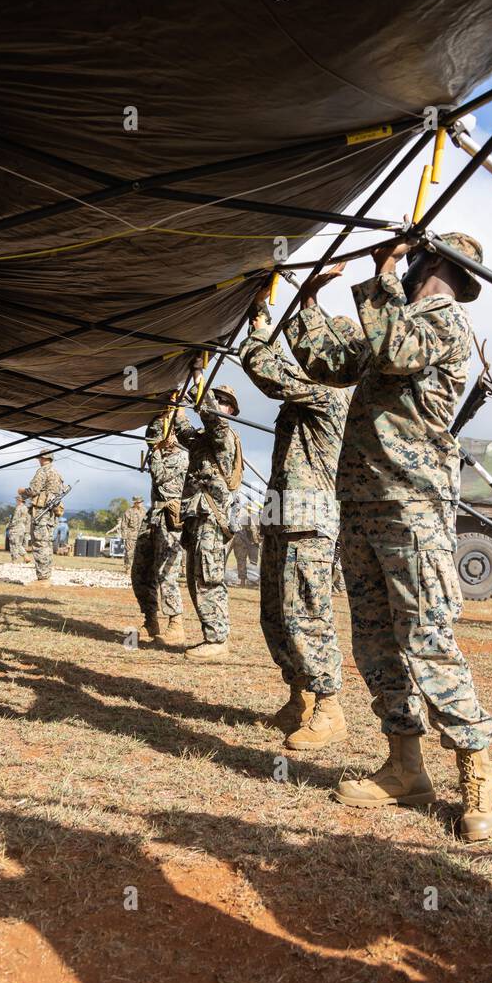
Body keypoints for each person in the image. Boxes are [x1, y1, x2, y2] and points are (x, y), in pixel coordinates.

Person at [283, 232, 492, 842]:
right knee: (377, 643)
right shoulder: (398, 314)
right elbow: (329, 362)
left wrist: (382, 273)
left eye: (411, 261)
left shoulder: (442, 321)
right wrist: (305, 299)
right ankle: (405, 767)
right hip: (362, 505)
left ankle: (478, 769)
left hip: (412, 509)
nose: (402, 269)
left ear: (433, 264)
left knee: (427, 640)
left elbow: (391, 348)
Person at [240, 287, 350, 747]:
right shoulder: (305, 397)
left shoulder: (330, 394)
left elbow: (268, 369)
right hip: (283, 516)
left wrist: (261, 330)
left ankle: (329, 706)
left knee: (306, 613)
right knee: (276, 614)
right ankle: (299, 694)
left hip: (310, 520)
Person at [173, 384, 242, 661]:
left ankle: (217, 640)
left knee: (208, 578)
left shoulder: (225, 435)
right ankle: (212, 636)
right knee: (195, 578)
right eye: (218, 399)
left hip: (212, 518)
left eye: (224, 401)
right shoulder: (204, 439)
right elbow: (182, 431)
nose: (219, 404)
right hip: (197, 516)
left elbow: (213, 418)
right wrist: (176, 403)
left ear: (232, 411)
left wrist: (200, 387)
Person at [131, 415, 189, 644]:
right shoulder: (160, 454)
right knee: (141, 571)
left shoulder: (181, 457)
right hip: (154, 516)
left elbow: (161, 477)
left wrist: (155, 454)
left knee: (166, 573)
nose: (152, 445)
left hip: (170, 518)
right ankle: (150, 619)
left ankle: (176, 625)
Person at [19, 451, 65, 586]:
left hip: (41, 512)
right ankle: (46, 576)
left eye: (39, 458)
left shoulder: (43, 471)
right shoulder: (57, 474)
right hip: (50, 515)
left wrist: (22, 491)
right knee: (47, 544)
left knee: (40, 543)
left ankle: (43, 578)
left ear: (43, 458)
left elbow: (34, 490)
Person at [230, 502, 262, 587]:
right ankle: (243, 581)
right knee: (241, 561)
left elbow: (256, 530)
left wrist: (256, 541)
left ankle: (252, 581)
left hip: (252, 543)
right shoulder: (242, 517)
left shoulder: (254, 517)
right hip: (243, 541)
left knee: (252, 562)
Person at [116, 497, 146, 571]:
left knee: (141, 553)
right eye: (138, 502)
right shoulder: (129, 512)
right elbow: (124, 524)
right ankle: (128, 568)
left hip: (141, 535)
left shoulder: (144, 511)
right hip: (131, 536)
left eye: (141, 502)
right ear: (135, 503)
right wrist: (124, 536)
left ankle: (138, 570)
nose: (140, 504)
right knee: (129, 553)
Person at [7, 494, 32, 563]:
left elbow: (15, 519)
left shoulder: (18, 508)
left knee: (14, 544)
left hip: (16, 528)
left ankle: (17, 559)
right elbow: (28, 520)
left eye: (16, 499)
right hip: (22, 528)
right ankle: (19, 558)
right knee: (18, 544)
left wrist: (10, 526)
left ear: (19, 500)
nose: (16, 501)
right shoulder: (26, 508)